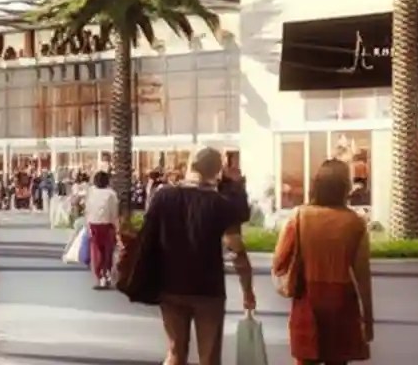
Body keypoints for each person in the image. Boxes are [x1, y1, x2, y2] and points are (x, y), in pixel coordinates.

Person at [130, 146, 254, 365]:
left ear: (189, 166)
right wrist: (247, 290)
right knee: (209, 357)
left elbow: (148, 235)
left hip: (170, 286)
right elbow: (236, 249)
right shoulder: (220, 204)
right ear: (217, 171)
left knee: (175, 351)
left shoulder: (163, 196)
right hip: (208, 290)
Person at [274, 158, 373, 365]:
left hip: (307, 299)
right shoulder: (355, 223)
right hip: (342, 302)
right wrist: (368, 319)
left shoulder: (299, 217)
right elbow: (363, 275)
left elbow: (279, 261)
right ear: (345, 188)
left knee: (305, 359)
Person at [84, 170, 119, 289]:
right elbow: (114, 212)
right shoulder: (111, 194)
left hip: (94, 224)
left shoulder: (91, 192)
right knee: (107, 251)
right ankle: (106, 274)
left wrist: (87, 225)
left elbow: (87, 210)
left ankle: (100, 276)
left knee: (96, 252)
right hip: (107, 225)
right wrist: (117, 227)